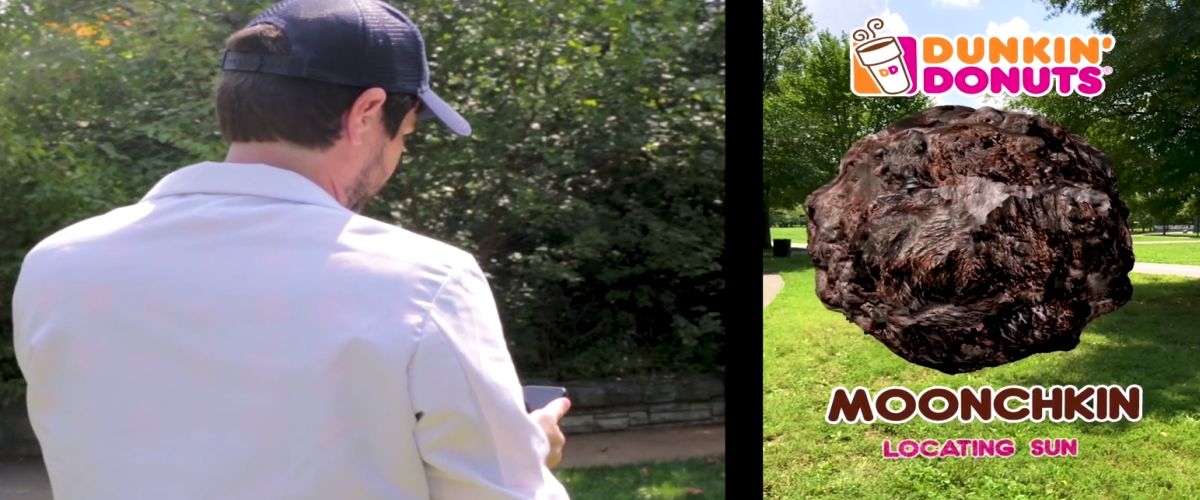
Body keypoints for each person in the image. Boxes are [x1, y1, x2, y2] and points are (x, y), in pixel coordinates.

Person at [10, 0, 572, 498]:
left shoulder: (58, 264)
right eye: (406, 134)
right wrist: (530, 452)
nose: (398, 156)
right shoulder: (425, 281)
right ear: (367, 112)